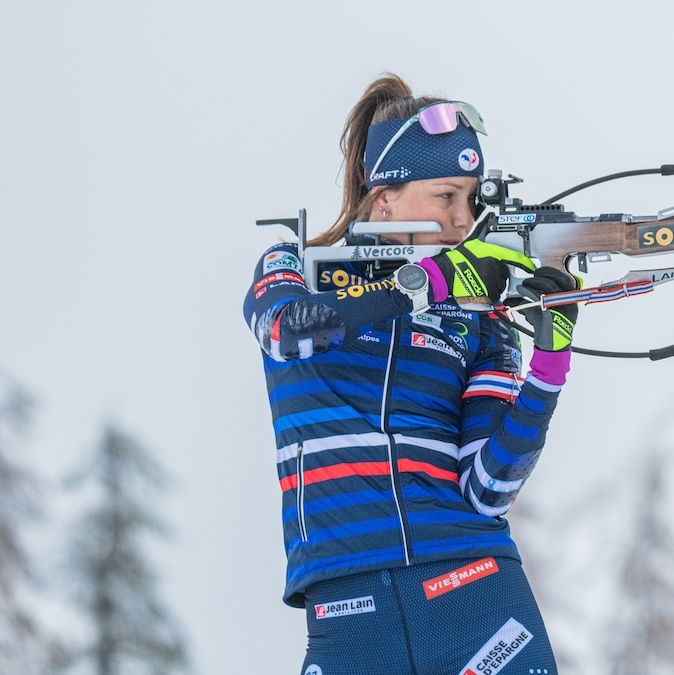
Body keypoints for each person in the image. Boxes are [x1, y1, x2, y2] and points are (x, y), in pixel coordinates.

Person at [242, 73, 578, 675]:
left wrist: (550, 362)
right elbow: (285, 331)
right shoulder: (293, 265)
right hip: (348, 610)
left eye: (472, 200)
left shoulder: (480, 313)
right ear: (384, 196)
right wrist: (433, 283)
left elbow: (489, 487)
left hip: (475, 591)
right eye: (445, 196)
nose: (461, 218)